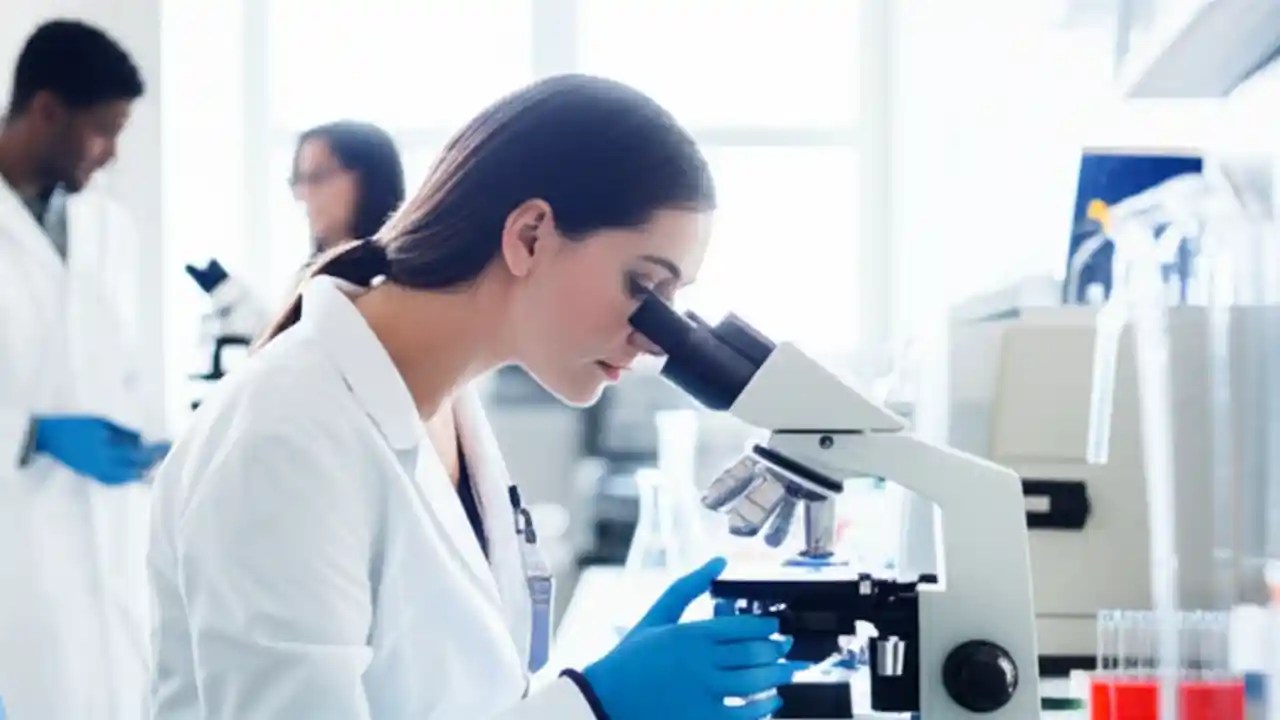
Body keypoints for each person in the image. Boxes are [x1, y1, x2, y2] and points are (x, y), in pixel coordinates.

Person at [149, 74, 802, 719]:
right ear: (529, 236)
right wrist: (594, 706)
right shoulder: (287, 434)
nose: (658, 339)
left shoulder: (446, 406)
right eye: (644, 287)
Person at [0, 19, 167, 720]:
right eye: (104, 130)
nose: (112, 153)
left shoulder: (108, 228)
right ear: (46, 110)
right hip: (15, 538)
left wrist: (145, 441)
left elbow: (121, 366)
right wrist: (29, 433)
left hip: (107, 534)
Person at [290, 119, 406, 255]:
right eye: (299, 180)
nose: (303, 194)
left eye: (318, 176)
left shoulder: (405, 265)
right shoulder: (321, 266)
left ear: (371, 179)